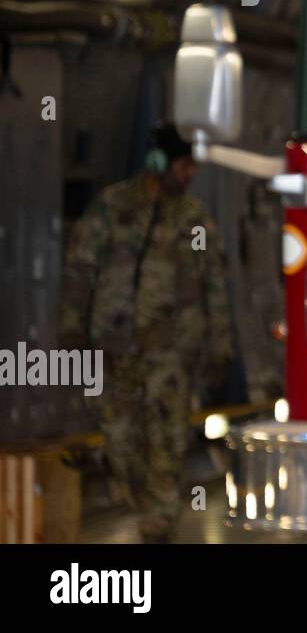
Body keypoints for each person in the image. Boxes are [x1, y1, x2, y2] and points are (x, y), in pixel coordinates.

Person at [59, 122, 233, 542]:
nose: (189, 175)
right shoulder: (111, 208)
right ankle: (148, 505)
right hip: (116, 349)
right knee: (120, 443)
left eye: (193, 166)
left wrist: (220, 346)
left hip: (172, 352)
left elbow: (215, 284)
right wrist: (71, 330)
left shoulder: (195, 222)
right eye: (183, 165)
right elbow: (80, 269)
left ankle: (160, 523)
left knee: (168, 440)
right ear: (159, 163)